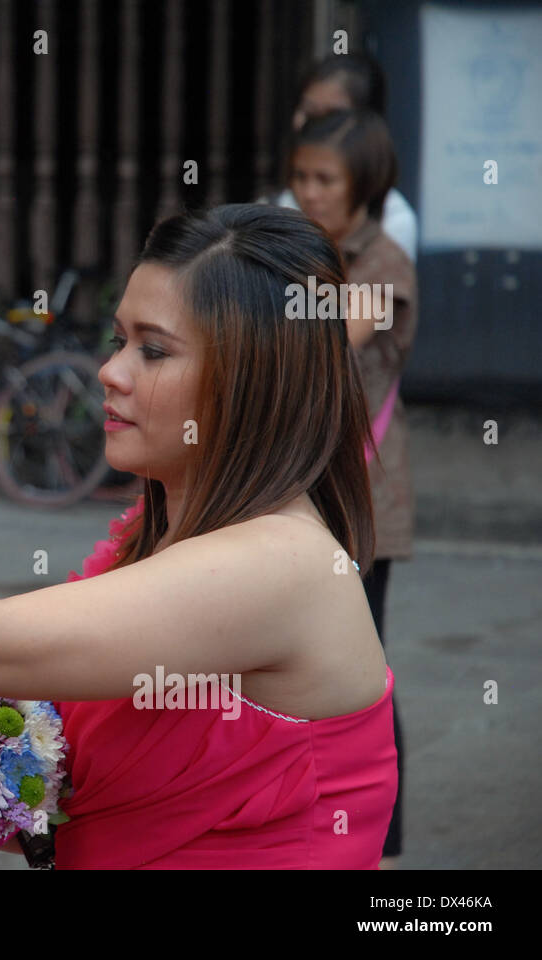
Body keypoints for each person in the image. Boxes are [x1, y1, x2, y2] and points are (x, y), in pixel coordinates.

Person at [0, 203, 399, 869]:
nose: (111, 372)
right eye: (119, 340)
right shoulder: (146, 540)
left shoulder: (285, 562)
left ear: (254, 379)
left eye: (153, 350)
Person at [289, 108, 416, 867]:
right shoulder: (309, 252)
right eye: (300, 177)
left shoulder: (384, 262)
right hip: (310, 487)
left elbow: (327, 334)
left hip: (365, 492)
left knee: (366, 662)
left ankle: (385, 840)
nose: (307, 193)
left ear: (363, 184)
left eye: (324, 179)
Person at [273, 52, 418, 264]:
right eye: (308, 110)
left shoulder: (393, 223)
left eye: (325, 179)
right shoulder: (278, 208)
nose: (311, 194)